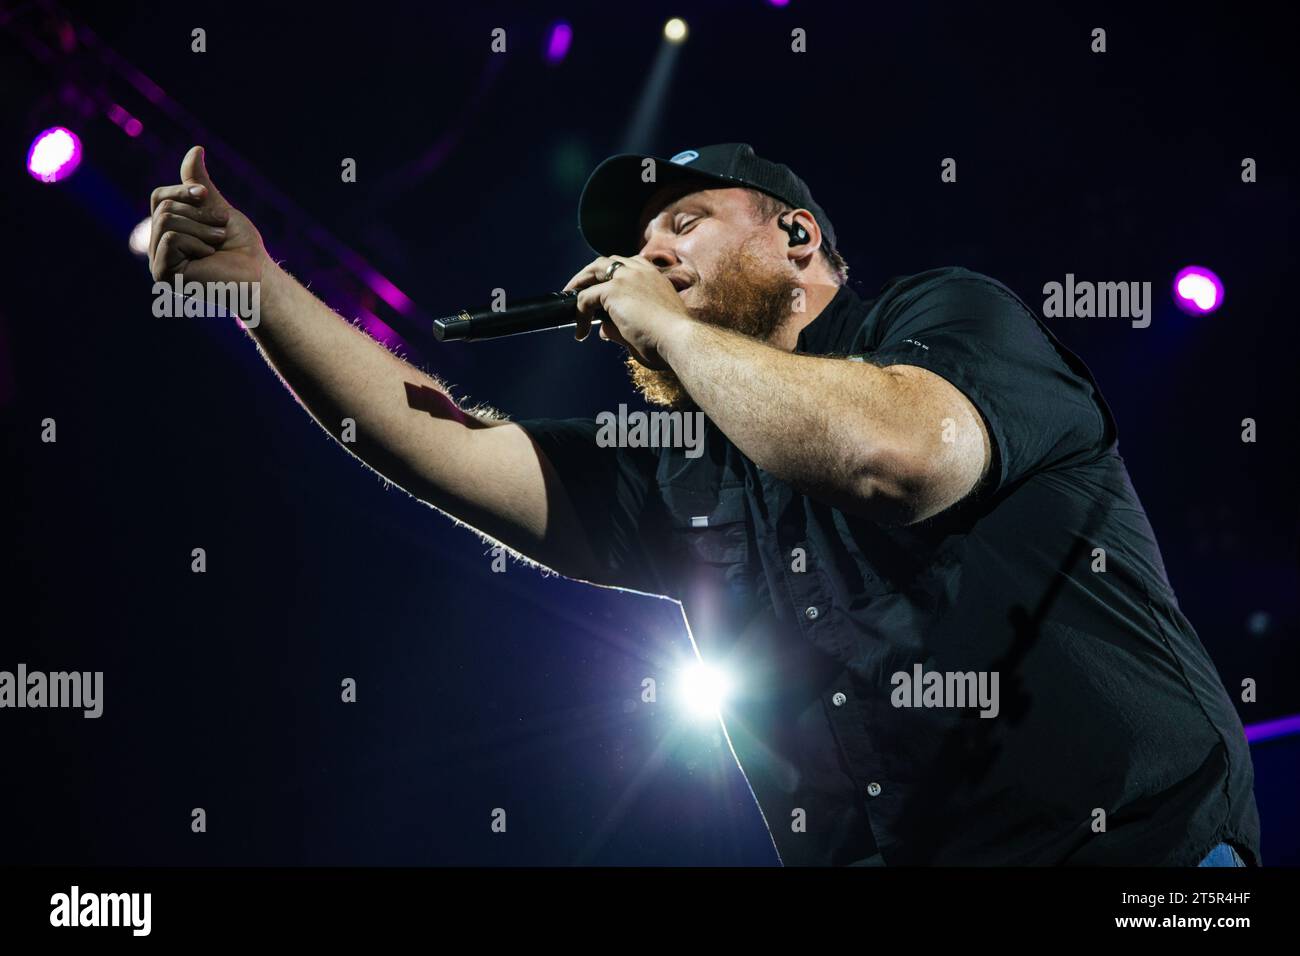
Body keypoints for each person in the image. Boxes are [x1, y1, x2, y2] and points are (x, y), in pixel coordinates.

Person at [147, 142, 1260, 866]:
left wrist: (671, 326)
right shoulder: (687, 469)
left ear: (794, 238)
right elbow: (442, 448)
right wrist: (260, 288)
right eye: (638, 246)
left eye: (683, 221)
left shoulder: (943, 316)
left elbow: (892, 455)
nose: (647, 252)